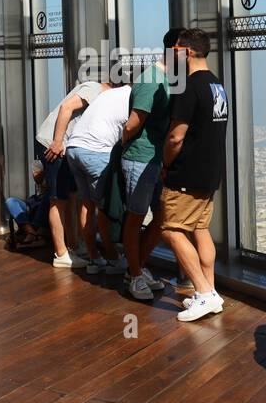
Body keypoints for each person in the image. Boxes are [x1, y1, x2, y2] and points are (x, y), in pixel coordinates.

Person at [161, 29, 230, 323]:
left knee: (170, 229)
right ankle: (210, 290)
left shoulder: (189, 88)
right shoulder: (217, 85)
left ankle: (203, 292)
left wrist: (166, 164)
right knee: (200, 228)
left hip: (187, 173)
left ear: (186, 52)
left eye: (175, 48)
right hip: (210, 172)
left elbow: (176, 137)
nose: (171, 53)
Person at [118, 28, 185, 300]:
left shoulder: (168, 79)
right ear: (174, 49)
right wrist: (122, 145)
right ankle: (134, 274)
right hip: (139, 157)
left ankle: (137, 267)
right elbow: (134, 123)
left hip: (154, 159)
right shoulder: (152, 79)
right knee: (135, 217)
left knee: (160, 218)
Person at [36, 78, 108, 268]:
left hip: (66, 146)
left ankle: (74, 246)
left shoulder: (99, 92)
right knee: (58, 198)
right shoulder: (95, 89)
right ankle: (60, 253)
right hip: (56, 145)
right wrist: (58, 142)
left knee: (70, 197)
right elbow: (66, 107)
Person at [65, 77, 132, 272]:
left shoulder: (108, 94)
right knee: (104, 207)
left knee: (87, 203)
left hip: (74, 148)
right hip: (96, 152)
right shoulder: (132, 97)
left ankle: (94, 257)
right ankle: (112, 257)